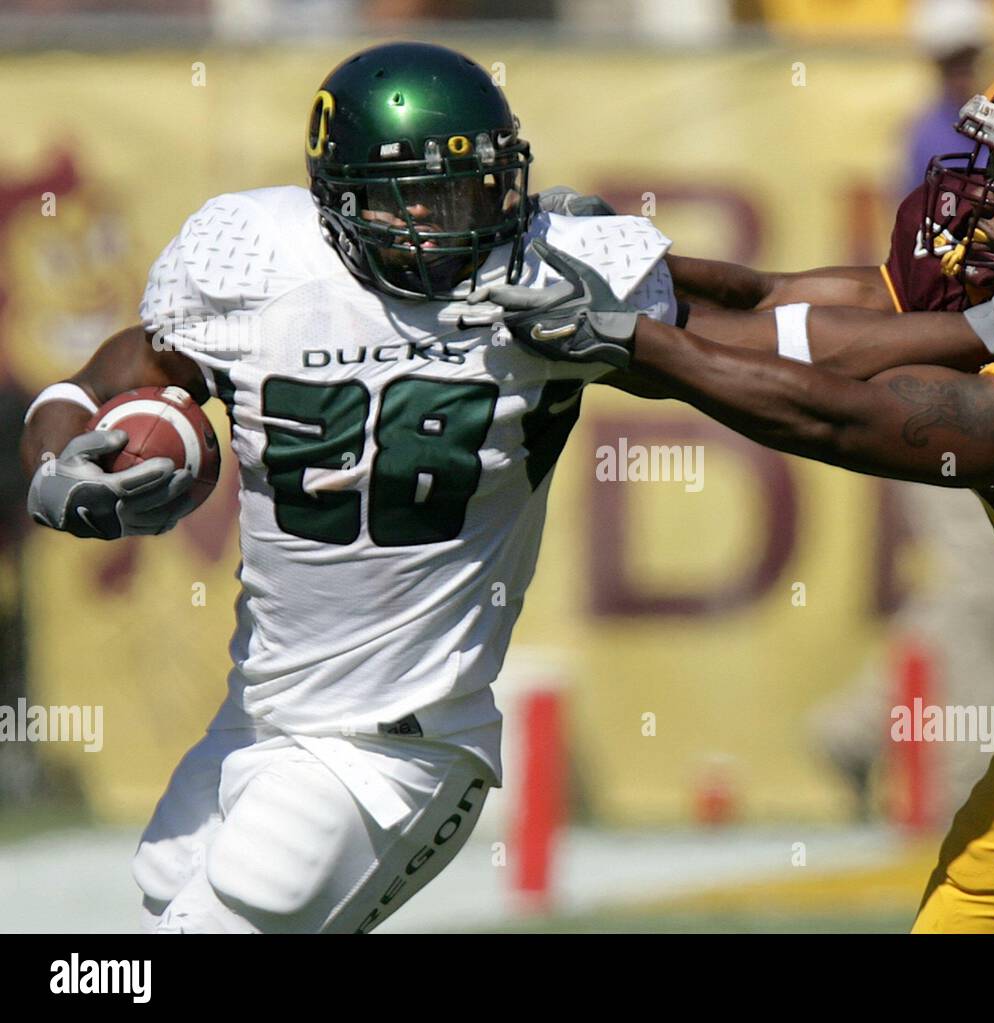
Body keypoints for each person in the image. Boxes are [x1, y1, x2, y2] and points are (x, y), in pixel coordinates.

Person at [475, 52, 994, 933]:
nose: (985, 196)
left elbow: (874, 421)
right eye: (993, 166)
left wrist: (640, 345)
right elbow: (793, 312)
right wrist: (648, 279)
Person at [18, 40, 682, 934]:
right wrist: (58, 463)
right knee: (159, 897)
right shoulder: (258, 262)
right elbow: (127, 366)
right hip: (261, 713)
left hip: (394, 748)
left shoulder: (549, 280)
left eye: (475, 185)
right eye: (420, 193)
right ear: (341, 196)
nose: (455, 219)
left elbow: (741, 342)